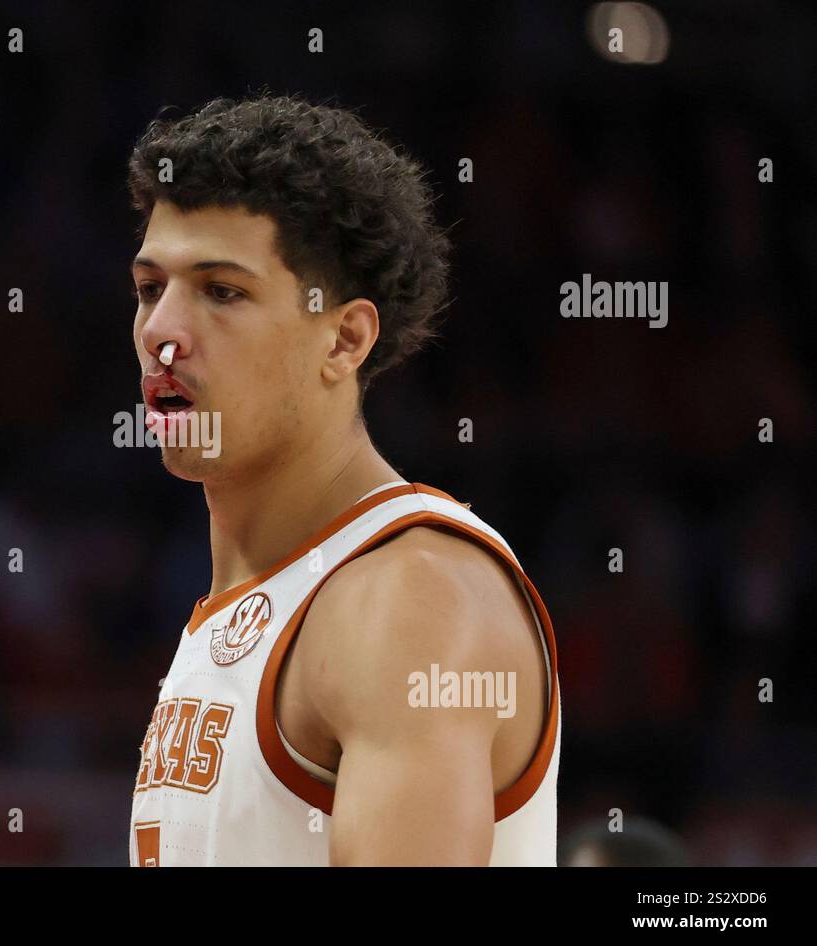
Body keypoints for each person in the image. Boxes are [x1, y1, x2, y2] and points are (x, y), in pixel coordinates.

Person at [125, 94, 559, 865]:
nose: (161, 332)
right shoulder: (257, 598)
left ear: (345, 338)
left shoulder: (408, 599)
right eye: (152, 287)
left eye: (221, 291)